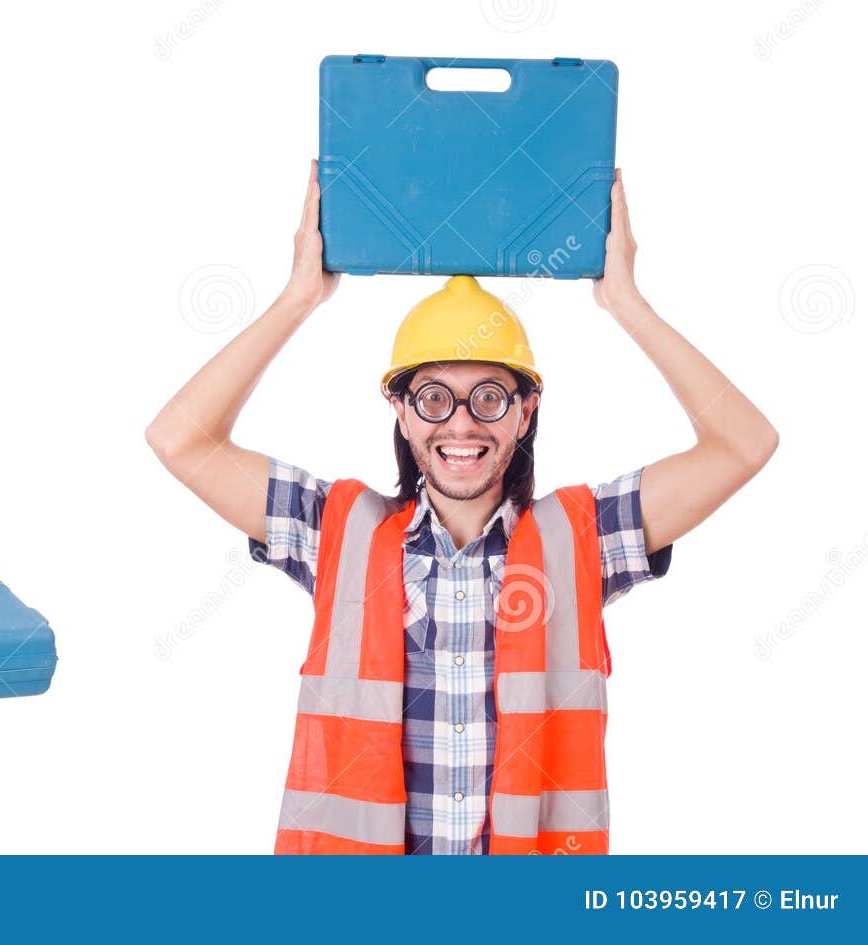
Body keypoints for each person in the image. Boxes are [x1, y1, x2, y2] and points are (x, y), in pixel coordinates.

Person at [144, 164, 779, 854]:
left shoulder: (580, 541)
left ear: (525, 412)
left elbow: (744, 445)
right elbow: (179, 438)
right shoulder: (337, 533)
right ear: (402, 410)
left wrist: (626, 303)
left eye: (490, 398)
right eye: (435, 398)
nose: (461, 426)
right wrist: (300, 297)